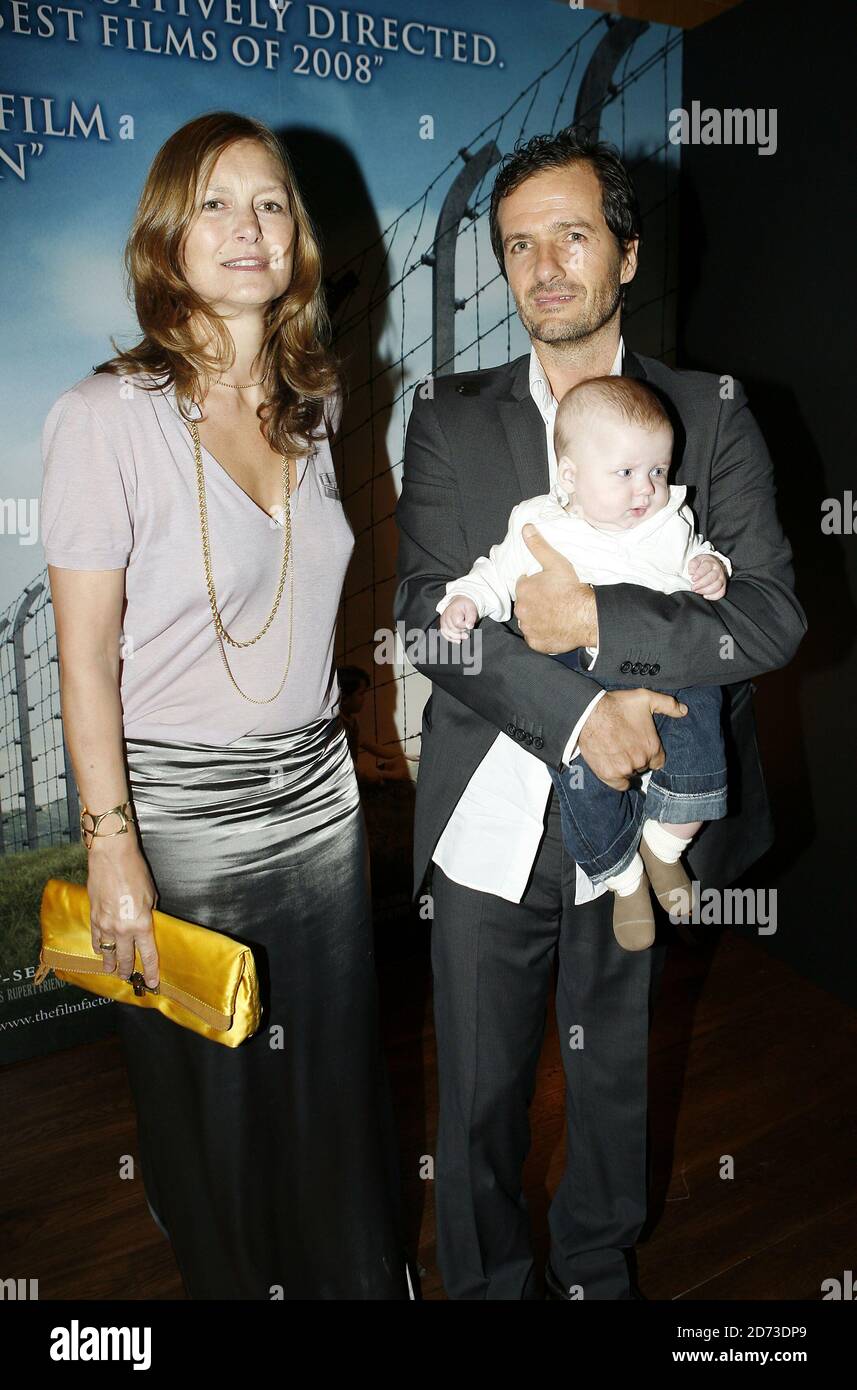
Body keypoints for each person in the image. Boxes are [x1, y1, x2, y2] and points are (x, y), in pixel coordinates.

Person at [394, 126, 807, 1300]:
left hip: (643, 819)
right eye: (518, 245)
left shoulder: (711, 412)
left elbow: (771, 618)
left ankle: (593, 1273)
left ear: (625, 253)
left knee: (612, 1069)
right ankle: (485, 1286)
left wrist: (599, 630)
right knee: (473, 1091)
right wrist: (583, 719)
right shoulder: (448, 418)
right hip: (488, 811)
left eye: (571, 235)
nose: (544, 266)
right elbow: (428, 616)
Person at [40, 111, 411, 1300]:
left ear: (297, 240)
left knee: (333, 1089)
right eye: (213, 203)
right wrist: (113, 850)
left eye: (270, 203)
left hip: (319, 803)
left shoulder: (318, 402)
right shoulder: (104, 418)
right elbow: (82, 660)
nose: (246, 228)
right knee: (213, 1110)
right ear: (166, 235)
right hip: (186, 821)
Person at [436, 374, 731, 951]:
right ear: (570, 476)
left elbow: (699, 555)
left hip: (666, 668)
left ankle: (664, 848)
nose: (645, 488)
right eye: (624, 473)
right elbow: (495, 573)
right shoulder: (541, 522)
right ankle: (623, 880)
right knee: (587, 783)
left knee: (702, 740)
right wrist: (466, 599)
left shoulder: (670, 521)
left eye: (657, 470)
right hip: (576, 673)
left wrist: (711, 567)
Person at [337, 665, 419, 783]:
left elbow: (372, 746)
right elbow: (352, 769)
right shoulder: (335, 726)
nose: (364, 699)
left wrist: (405, 755)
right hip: (345, 777)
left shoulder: (352, 721)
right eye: (361, 694)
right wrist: (390, 775)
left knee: (399, 762)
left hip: (354, 773)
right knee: (394, 773)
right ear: (344, 698)